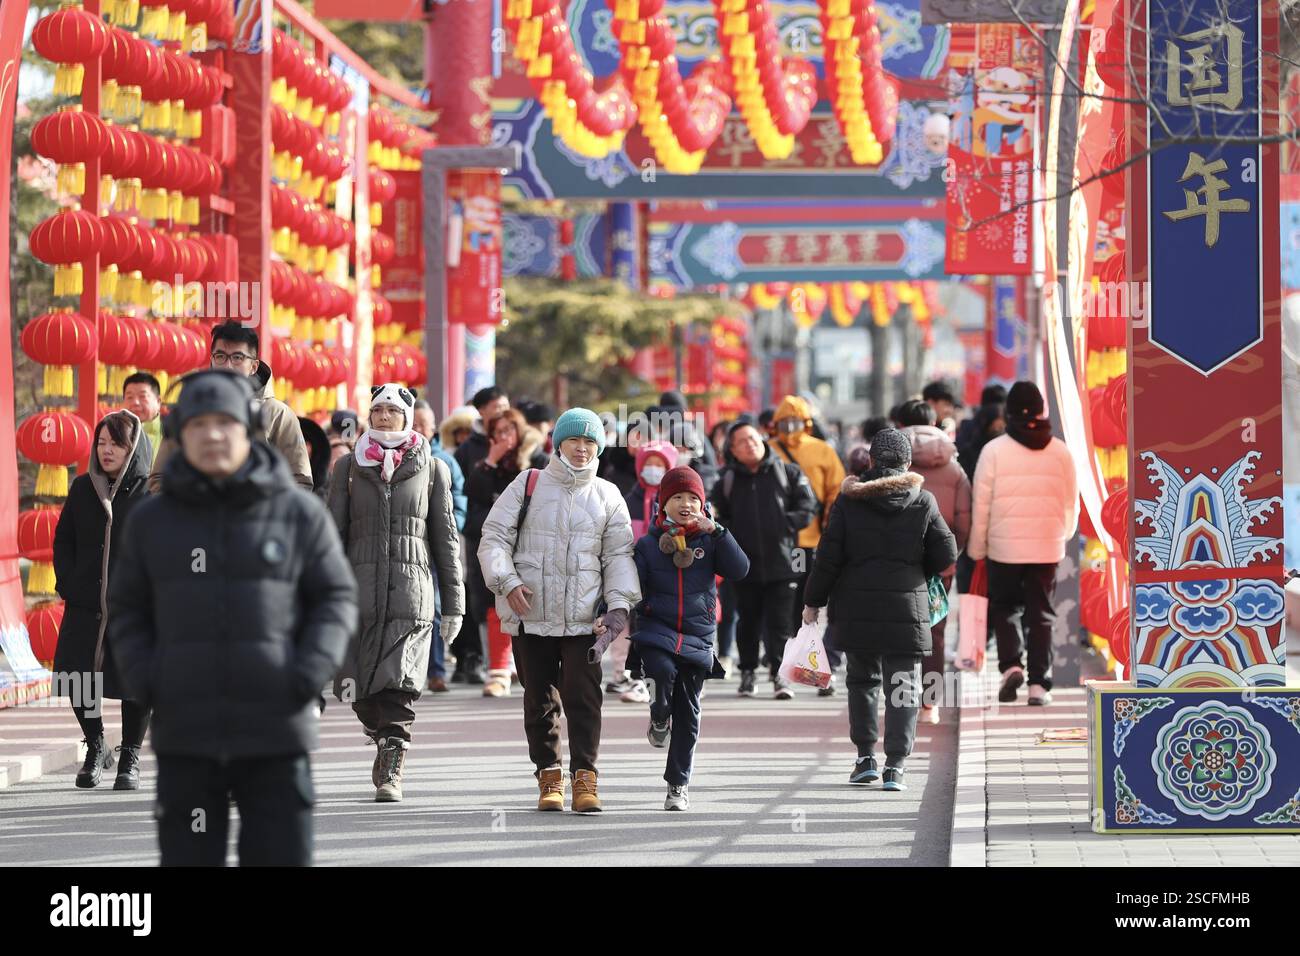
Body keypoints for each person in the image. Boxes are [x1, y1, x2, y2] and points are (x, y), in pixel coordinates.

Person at [110, 370, 357, 866]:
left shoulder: (296, 513)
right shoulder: (152, 521)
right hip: (186, 729)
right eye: (199, 424)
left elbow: (334, 598)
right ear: (181, 437)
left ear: (248, 429)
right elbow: (127, 610)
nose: (214, 434)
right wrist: (151, 680)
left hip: (276, 727)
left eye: (226, 422)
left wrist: (306, 675)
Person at [477, 408, 640, 813]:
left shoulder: (608, 495)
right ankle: (549, 776)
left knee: (585, 697)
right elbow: (493, 538)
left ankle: (586, 778)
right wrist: (508, 581)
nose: (582, 449)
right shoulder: (528, 484)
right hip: (532, 614)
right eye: (574, 441)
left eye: (590, 442)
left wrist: (619, 604)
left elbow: (618, 555)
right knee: (539, 699)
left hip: (587, 619)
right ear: (558, 443)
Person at [327, 384, 465, 801]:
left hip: (412, 592)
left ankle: (392, 763)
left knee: (400, 683)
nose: (385, 417)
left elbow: (446, 539)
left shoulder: (433, 468)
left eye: (393, 410)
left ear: (407, 416)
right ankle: (379, 732)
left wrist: (454, 604)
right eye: (378, 410)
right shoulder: (348, 468)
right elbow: (333, 534)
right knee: (356, 687)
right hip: (358, 590)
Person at [801, 428, 958, 792]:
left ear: (871, 460)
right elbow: (946, 554)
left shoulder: (849, 501)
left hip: (856, 609)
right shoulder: (923, 501)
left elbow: (827, 559)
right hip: (907, 609)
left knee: (862, 682)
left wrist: (813, 602)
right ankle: (896, 767)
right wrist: (919, 569)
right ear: (907, 463)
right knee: (903, 686)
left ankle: (864, 759)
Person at [632, 467, 749, 810]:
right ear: (664, 503)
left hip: (698, 634)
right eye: (678, 497)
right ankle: (658, 714)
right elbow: (630, 587)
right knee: (660, 671)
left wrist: (720, 532)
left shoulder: (711, 539)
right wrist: (607, 612)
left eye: (693, 498)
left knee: (690, 711)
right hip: (656, 628)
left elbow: (741, 569)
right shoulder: (648, 544)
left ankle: (677, 785)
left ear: (703, 503)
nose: (686, 504)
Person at [53, 410, 153, 790]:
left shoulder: (149, 492)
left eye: (116, 443)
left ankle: (130, 755)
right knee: (77, 676)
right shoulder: (83, 488)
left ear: (134, 448)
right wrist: (69, 584)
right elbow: (64, 540)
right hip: (85, 604)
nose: (106, 450)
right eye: (102, 442)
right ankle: (96, 745)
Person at [968, 381, 1078, 707]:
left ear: (1008, 412)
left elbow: (982, 505)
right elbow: (1071, 503)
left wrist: (977, 548)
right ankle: (1039, 686)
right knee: (1041, 612)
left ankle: (1011, 666)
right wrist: (1063, 533)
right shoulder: (1061, 451)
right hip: (1047, 546)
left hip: (1004, 548)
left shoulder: (994, 451)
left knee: (1005, 607)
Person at [710, 422, 817, 699]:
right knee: (747, 622)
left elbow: (808, 506)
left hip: (784, 563)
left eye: (753, 438)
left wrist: (784, 524)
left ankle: (780, 677)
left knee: (781, 624)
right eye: (742, 441)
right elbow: (716, 517)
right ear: (733, 449)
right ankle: (747, 673)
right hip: (744, 566)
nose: (750, 444)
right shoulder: (727, 480)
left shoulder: (787, 472)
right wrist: (734, 533)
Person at [147, 321, 312, 493]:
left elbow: (300, 480)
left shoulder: (279, 415)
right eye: (220, 356)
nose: (227, 366)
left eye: (237, 358)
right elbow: (159, 477)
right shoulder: (189, 410)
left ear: (254, 366)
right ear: (211, 360)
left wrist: (264, 510)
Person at [895, 399, 971, 724]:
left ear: (901, 424)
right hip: (942, 561)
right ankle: (931, 704)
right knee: (936, 631)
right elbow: (965, 518)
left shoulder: (893, 462)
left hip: (897, 561)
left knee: (897, 629)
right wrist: (952, 555)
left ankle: (899, 701)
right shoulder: (954, 468)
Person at [464, 408, 547, 698]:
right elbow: (473, 498)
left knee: (529, 602)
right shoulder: (485, 465)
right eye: (497, 432)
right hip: (494, 543)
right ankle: (498, 669)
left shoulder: (537, 462)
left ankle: (524, 667)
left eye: (508, 431)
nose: (503, 437)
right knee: (494, 599)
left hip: (530, 545)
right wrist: (491, 461)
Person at [769, 395, 847, 694]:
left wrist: (830, 527)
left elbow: (835, 492)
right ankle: (788, 663)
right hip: (780, 543)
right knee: (787, 604)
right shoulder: (769, 451)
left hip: (811, 542)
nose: (790, 425)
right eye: (785, 420)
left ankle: (813, 663)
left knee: (809, 602)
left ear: (807, 422)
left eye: (796, 420)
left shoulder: (822, 451)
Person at [609, 439, 679, 702]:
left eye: (659, 464)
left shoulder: (676, 502)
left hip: (667, 577)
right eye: (648, 463)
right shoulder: (628, 501)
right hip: (633, 575)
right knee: (632, 625)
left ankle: (669, 675)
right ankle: (631, 676)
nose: (653, 469)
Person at [413, 398, 467, 693]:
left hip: (435, 545)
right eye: (415, 423)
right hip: (406, 544)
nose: (420, 429)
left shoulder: (444, 461)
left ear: (434, 428)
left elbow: (459, 497)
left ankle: (436, 670)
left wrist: (451, 526)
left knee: (433, 608)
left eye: (425, 424)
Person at [453, 385, 509, 476]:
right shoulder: (466, 448)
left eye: (506, 406)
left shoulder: (518, 439)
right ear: (481, 410)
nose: (503, 412)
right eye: (498, 407)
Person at [122, 372, 162, 465]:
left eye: (142, 396)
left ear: (158, 402)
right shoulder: (112, 434)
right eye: (129, 397)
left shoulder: (173, 436)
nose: (135, 402)